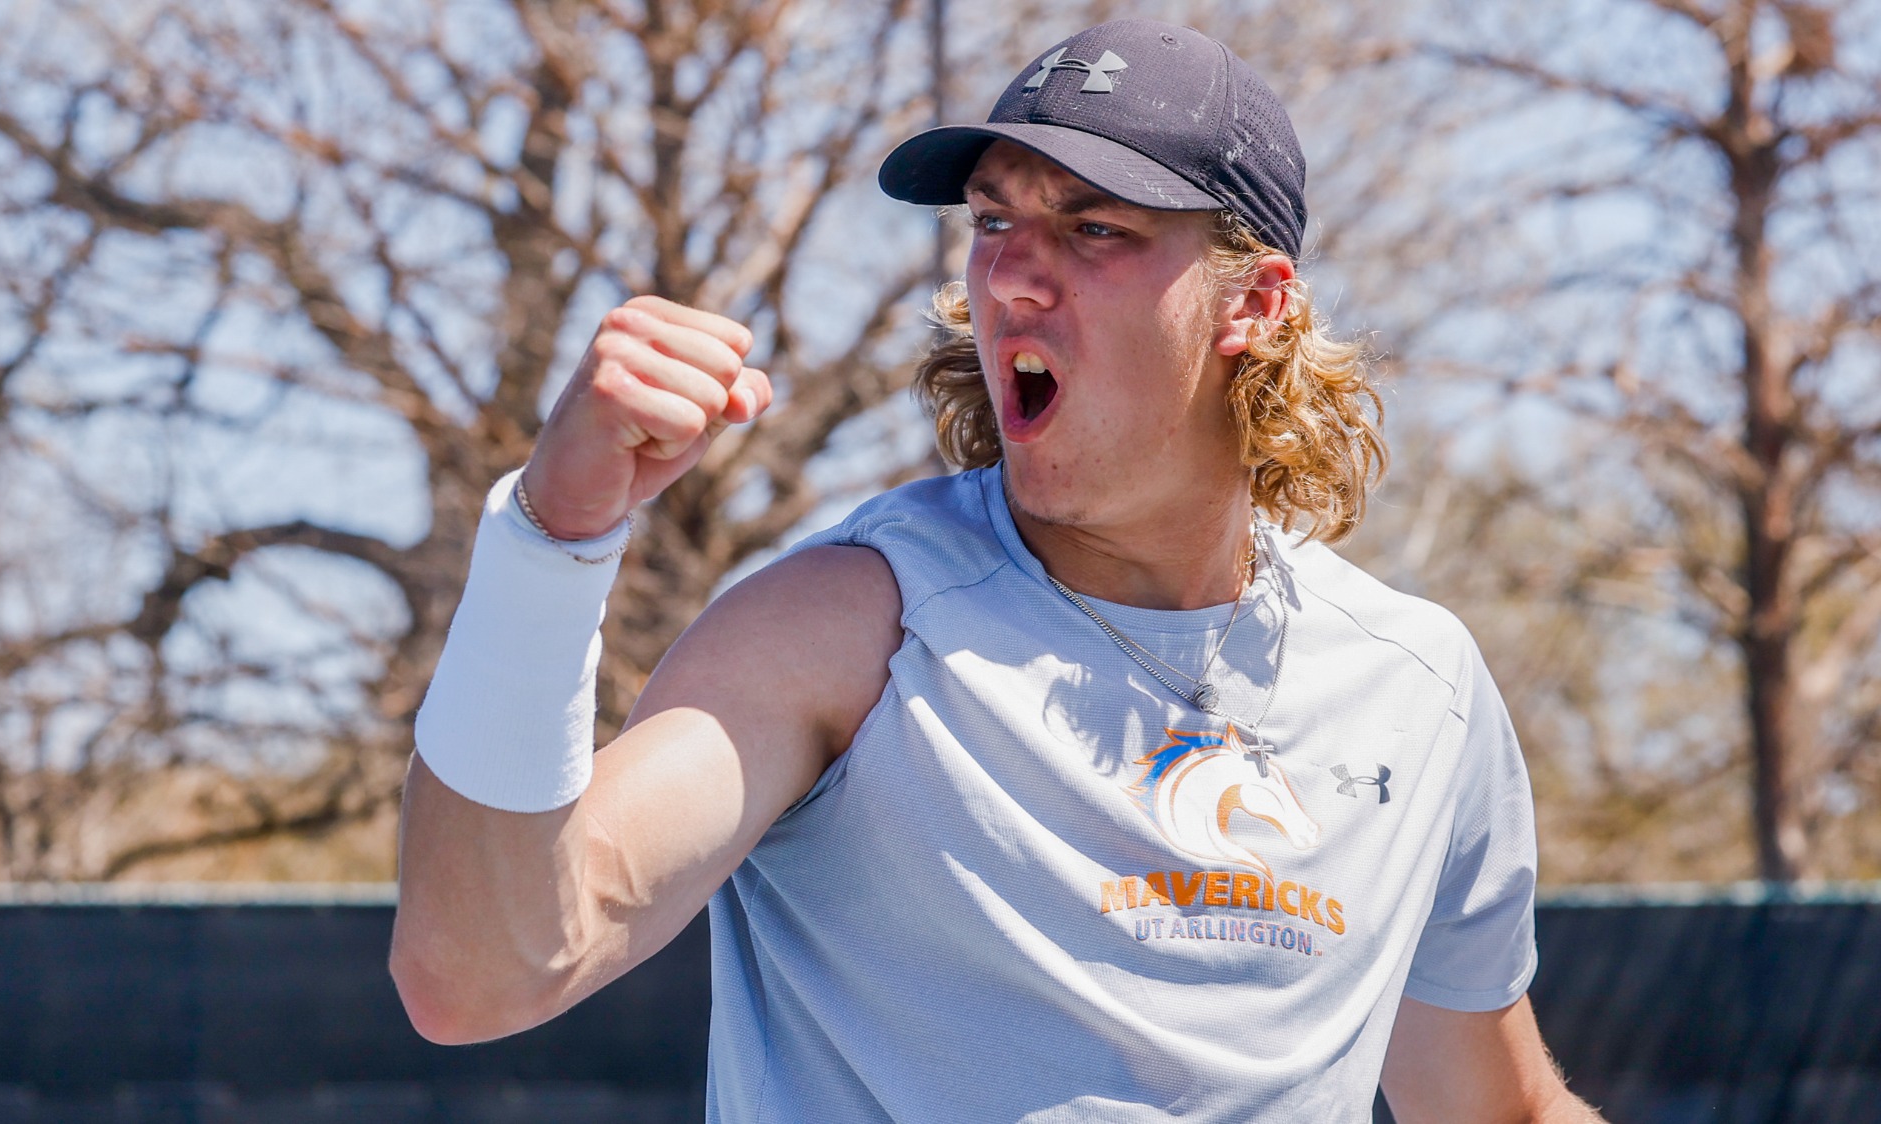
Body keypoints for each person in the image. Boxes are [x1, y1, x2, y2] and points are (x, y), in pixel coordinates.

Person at [391, 18, 1605, 1122]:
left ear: (1255, 301)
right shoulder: (848, 623)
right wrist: (552, 532)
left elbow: (1496, 1107)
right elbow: (481, 969)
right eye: (991, 221)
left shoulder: (1417, 683)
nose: (1010, 273)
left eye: (1092, 227)